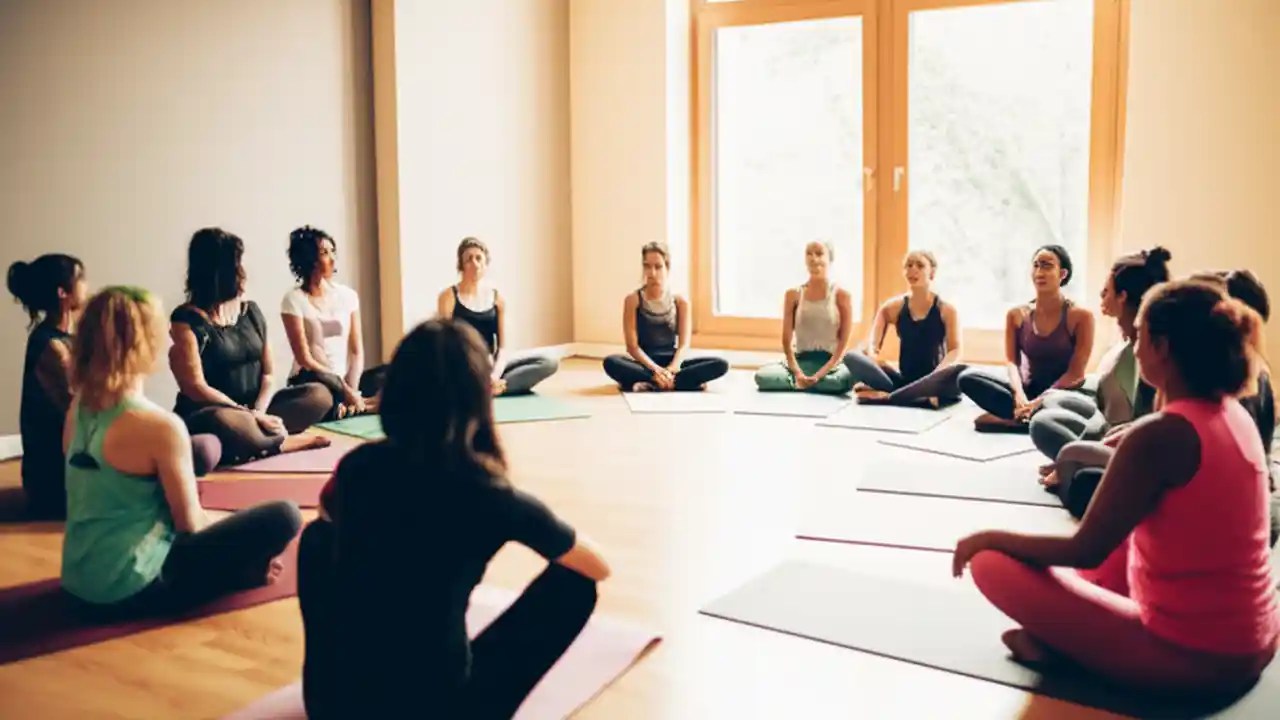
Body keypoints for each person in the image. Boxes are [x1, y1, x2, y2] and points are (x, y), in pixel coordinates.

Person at [953, 280, 1279, 699]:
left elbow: (1084, 549)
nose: (1135, 347)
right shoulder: (1234, 413)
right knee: (1124, 538)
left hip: (1198, 661)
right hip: (1257, 640)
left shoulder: (1162, 434)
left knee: (989, 563)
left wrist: (988, 538)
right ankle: (1073, 641)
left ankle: (1069, 649)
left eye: (1140, 335)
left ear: (1162, 347)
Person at [297, 319, 610, 718]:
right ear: (479, 399)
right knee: (575, 586)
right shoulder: (490, 494)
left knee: (318, 536)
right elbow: (598, 567)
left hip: (333, 705)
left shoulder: (357, 465)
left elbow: (328, 534)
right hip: (437, 710)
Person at [61, 286, 301, 618]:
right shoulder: (158, 426)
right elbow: (190, 524)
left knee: (201, 452)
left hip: (79, 582)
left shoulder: (78, 409)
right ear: (146, 344)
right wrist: (235, 524)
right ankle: (238, 573)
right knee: (285, 515)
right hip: (136, 588)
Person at [8, 256, 219, 520]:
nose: (87, 286)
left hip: (96, 458)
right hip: (62, 481)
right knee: (200, 449)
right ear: (63, 292)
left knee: (199, 442)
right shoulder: (51, 348)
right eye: (81, 279)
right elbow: (92, 411)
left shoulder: (71, 340)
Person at [169, 228, 331, 467]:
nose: (243, 273)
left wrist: (260, 411)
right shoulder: (186, 320)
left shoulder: (251, 312)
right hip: (215, 412)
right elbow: (195, 387)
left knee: (318, 395)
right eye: (237, 266)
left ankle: (260, 439)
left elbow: (268, 374)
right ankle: (282, 442)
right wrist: (247, 414)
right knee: (228, 423)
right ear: (219, 273)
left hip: (256, 409)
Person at [1031, 248, 1171, 502]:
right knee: (1053, 402)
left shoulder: (1143, 354)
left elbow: (1131, 432)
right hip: (1116, 430)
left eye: (1106, 290)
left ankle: (1080, 475)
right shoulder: (1129, 342)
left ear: (1122, 297)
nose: (1101, 295)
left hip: (1133, 452)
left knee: (1043, 426)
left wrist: (1074, 456)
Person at [958, 245, 1095, 431]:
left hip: (1061, 395)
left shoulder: (1081, 316)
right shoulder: (1016, 315)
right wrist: (1019, 395)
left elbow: (1076, 374)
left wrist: (1040, 401)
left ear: (1062, 274)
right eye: (1036, 265)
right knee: (967, 377)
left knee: (984, 422)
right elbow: (1012, 362)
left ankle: (1023, 419)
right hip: (1028, 390)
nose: (1039, 272)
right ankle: (1031, 418)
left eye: (1047, 266)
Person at [280, 226, 382, 418]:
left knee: (389, 376)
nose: (333, 258)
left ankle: (352, 406)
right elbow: (305, 359)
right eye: (324, 253)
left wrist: (352, 387)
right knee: (318, 397)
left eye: (333, 251)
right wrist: (344, 389)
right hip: (313, 377)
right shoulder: (293, 299)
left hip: (345, 380)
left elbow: (356, 351)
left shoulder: (348, 296)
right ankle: (361, 406)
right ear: (309, 259)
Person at [437, 237, 560, 396]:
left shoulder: (497, 298)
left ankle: (491, 388)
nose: (475, 264)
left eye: (479, 258)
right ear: (461, 265)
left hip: (490, 364)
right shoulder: (448, 297)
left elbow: (502, 349)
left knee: (549, 362)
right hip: (462, 365)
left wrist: (494, 375)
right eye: (469, 259)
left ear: (485, 264)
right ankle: (486, 388)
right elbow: (445, 345)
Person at [602, 242, 729, 392]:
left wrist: (672, 368)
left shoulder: (680, 302)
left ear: (667, 268)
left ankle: (652, 383)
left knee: (720, 364)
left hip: (672, 362)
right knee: (611, 362)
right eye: (647, 266)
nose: (652, 273)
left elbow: (683, 345)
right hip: (645, 363)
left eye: (658, 267)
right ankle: (679, 383)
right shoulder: (633, 300)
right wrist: (656, 370)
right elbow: (632, 347)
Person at [843, 250, 964, 406]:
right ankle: (916, 398)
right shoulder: (892, 308)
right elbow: (872, 344)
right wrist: (874, 358)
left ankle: (888, 397)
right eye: (909, 265)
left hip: (933, 381)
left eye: (920, 265)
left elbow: (955, 350)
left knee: (961, 376)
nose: (913, 269)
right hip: (904, 380)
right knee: (851, 357)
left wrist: (936, 376)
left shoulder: (946, 310)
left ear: (932, 272)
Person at [754, 241, 855, 395]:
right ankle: (805, 383)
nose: (814, 258)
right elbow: (787, 342)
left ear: (830, 259)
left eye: (819, 254)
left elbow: (843, 343)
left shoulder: (842, 295)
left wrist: (820, 374)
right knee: (763, 377)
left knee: (842, 380)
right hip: (801, 361)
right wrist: (797, 373)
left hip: (830, 363)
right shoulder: (793, 294)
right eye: (809, 254)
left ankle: (805, 384)